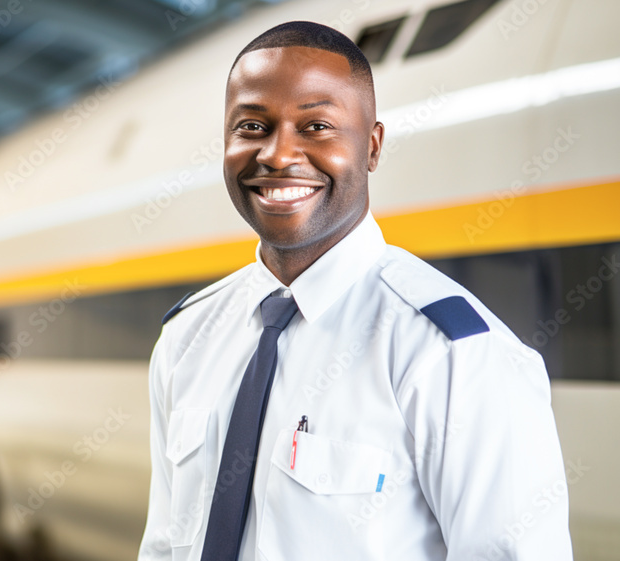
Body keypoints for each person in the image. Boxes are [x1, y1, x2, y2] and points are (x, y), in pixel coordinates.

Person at [138, 21, 573, 561]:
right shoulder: (186, 339)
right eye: (251, 126)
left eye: (316, 125)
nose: (276, 154)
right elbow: (162, 546)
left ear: (371, 146)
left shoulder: (453, 356)